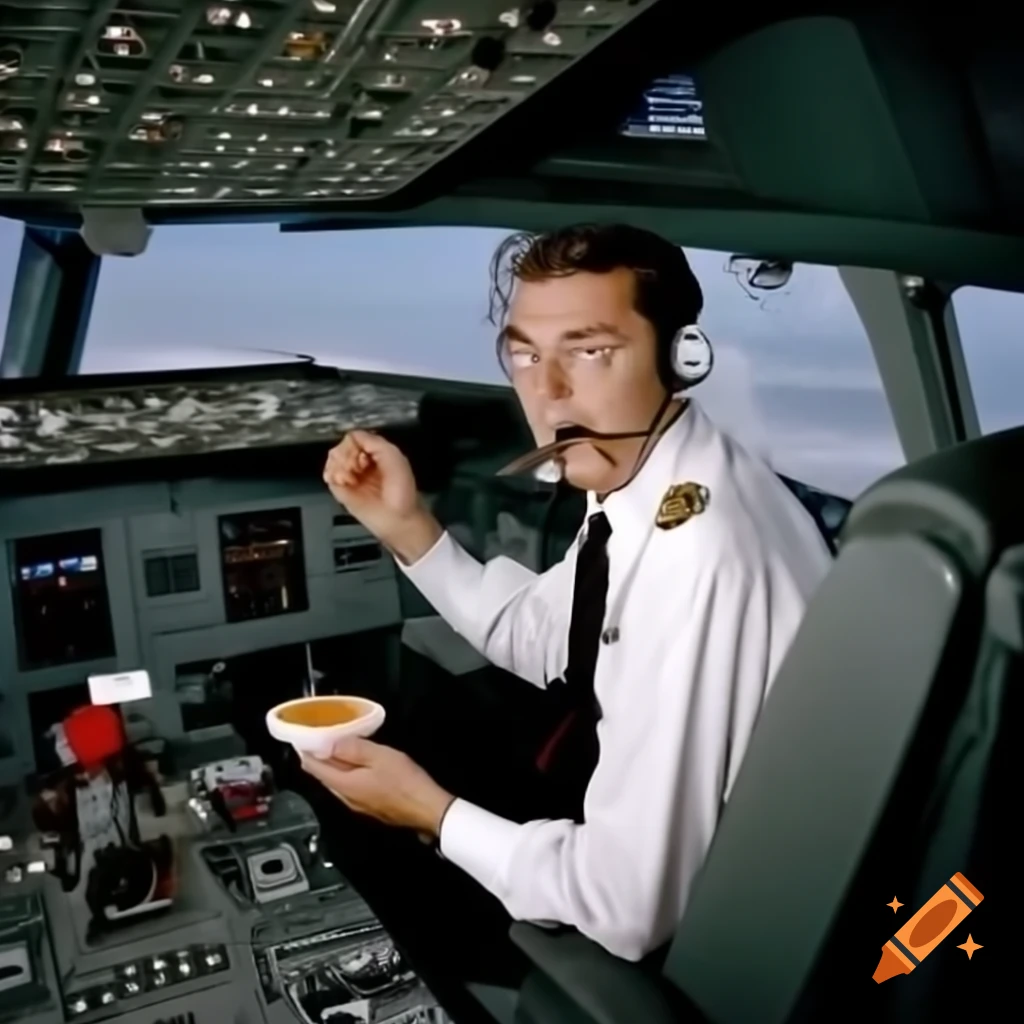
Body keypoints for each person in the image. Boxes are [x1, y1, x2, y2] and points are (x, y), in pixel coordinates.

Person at [307, 224, 833, 996]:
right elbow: (548, 636)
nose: (547, 391)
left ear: (681, 357)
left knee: (371, 846)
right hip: (697, 849)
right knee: (440, 722)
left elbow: (627, 908)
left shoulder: (697, 555)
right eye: (525, 354)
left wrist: (430, 813)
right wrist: (407, 525)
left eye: (590, 351)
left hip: (716, 951)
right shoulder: (648, 477)